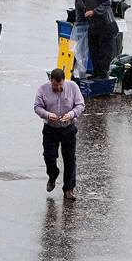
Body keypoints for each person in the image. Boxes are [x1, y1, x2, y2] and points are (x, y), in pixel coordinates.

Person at [34, 68, 84, 201]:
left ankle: (68, 189)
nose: (58, 88)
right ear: (50, 81)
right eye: (55, 85)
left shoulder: (72, 87)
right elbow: (37, 107)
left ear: (64, 81)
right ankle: (53, 174)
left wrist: (71, 114)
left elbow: (80, 105)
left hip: (68, 128)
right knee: (49, 156)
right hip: (51, 128)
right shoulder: (42, 90)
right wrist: (47, 114)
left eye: (60, 85)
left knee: (69, 159)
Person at [71, 0, 117, 79]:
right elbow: (79, 13)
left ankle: (102, 75)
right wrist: (76, 24)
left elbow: (107, 2)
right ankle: (96, 73)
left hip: (106, 25)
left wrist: (94, 11)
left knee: (104, 51)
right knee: (93, 51)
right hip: (93, 26)